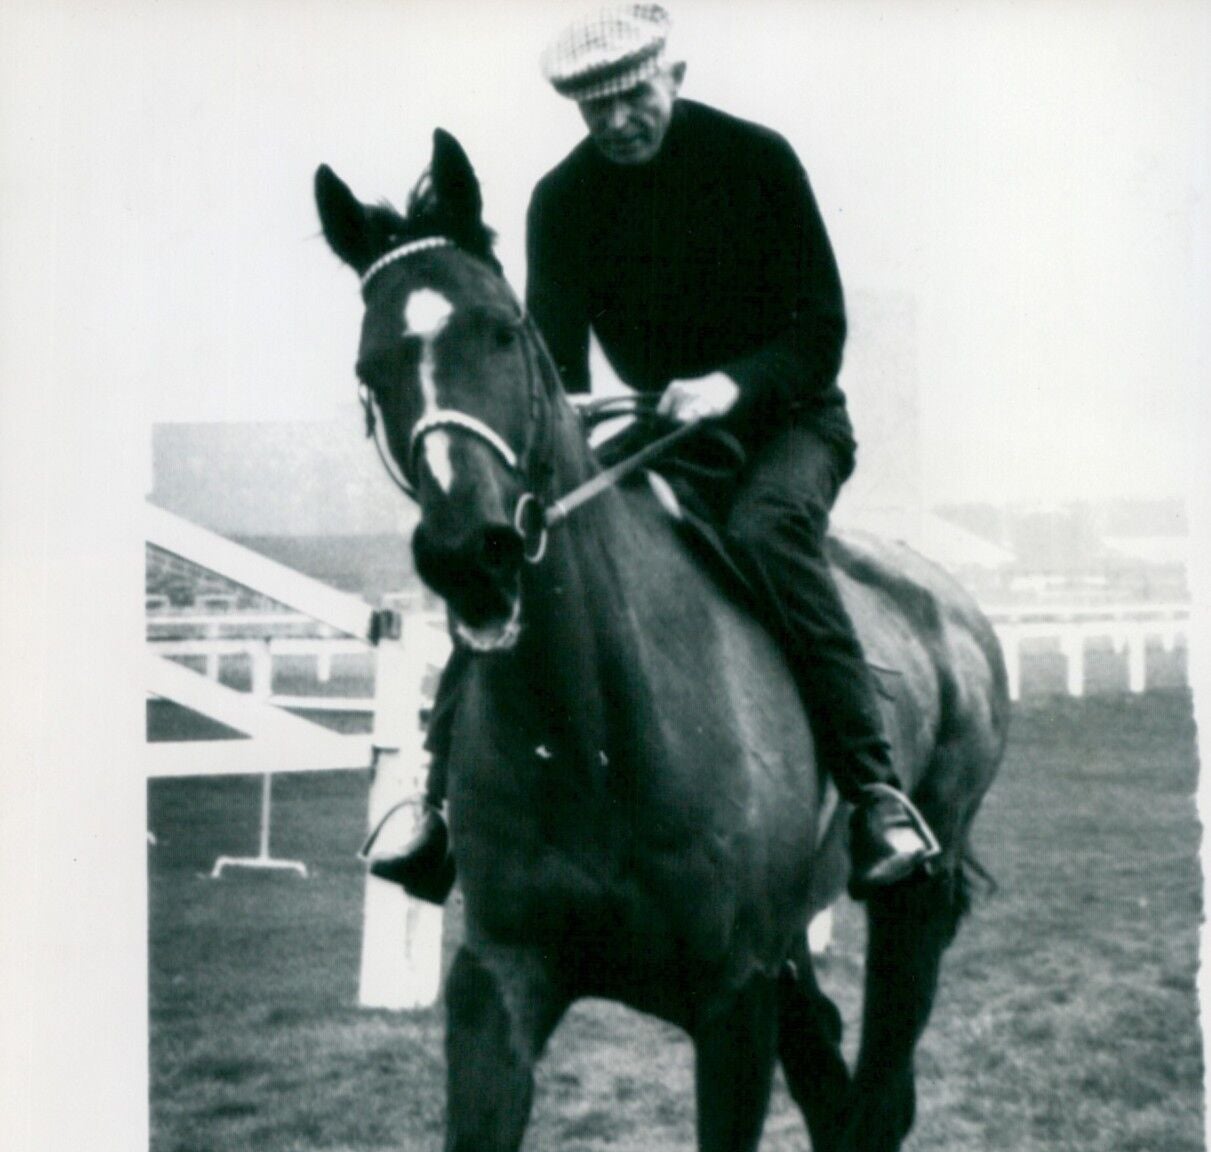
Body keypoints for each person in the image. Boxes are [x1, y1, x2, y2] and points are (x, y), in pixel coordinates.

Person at [372, 2, 938, 902]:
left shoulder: (756, 160)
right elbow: (554, 358)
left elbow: (819, 330)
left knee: (761, 531)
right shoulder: (560, 200)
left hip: (786, 423)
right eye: (595, 109)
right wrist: (572, 405)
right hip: (661, 430)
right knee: (518, 533)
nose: (617, 122)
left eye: (633, 97)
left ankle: (874, 795)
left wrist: (729, 386)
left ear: (671, 76)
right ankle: (432, 800)